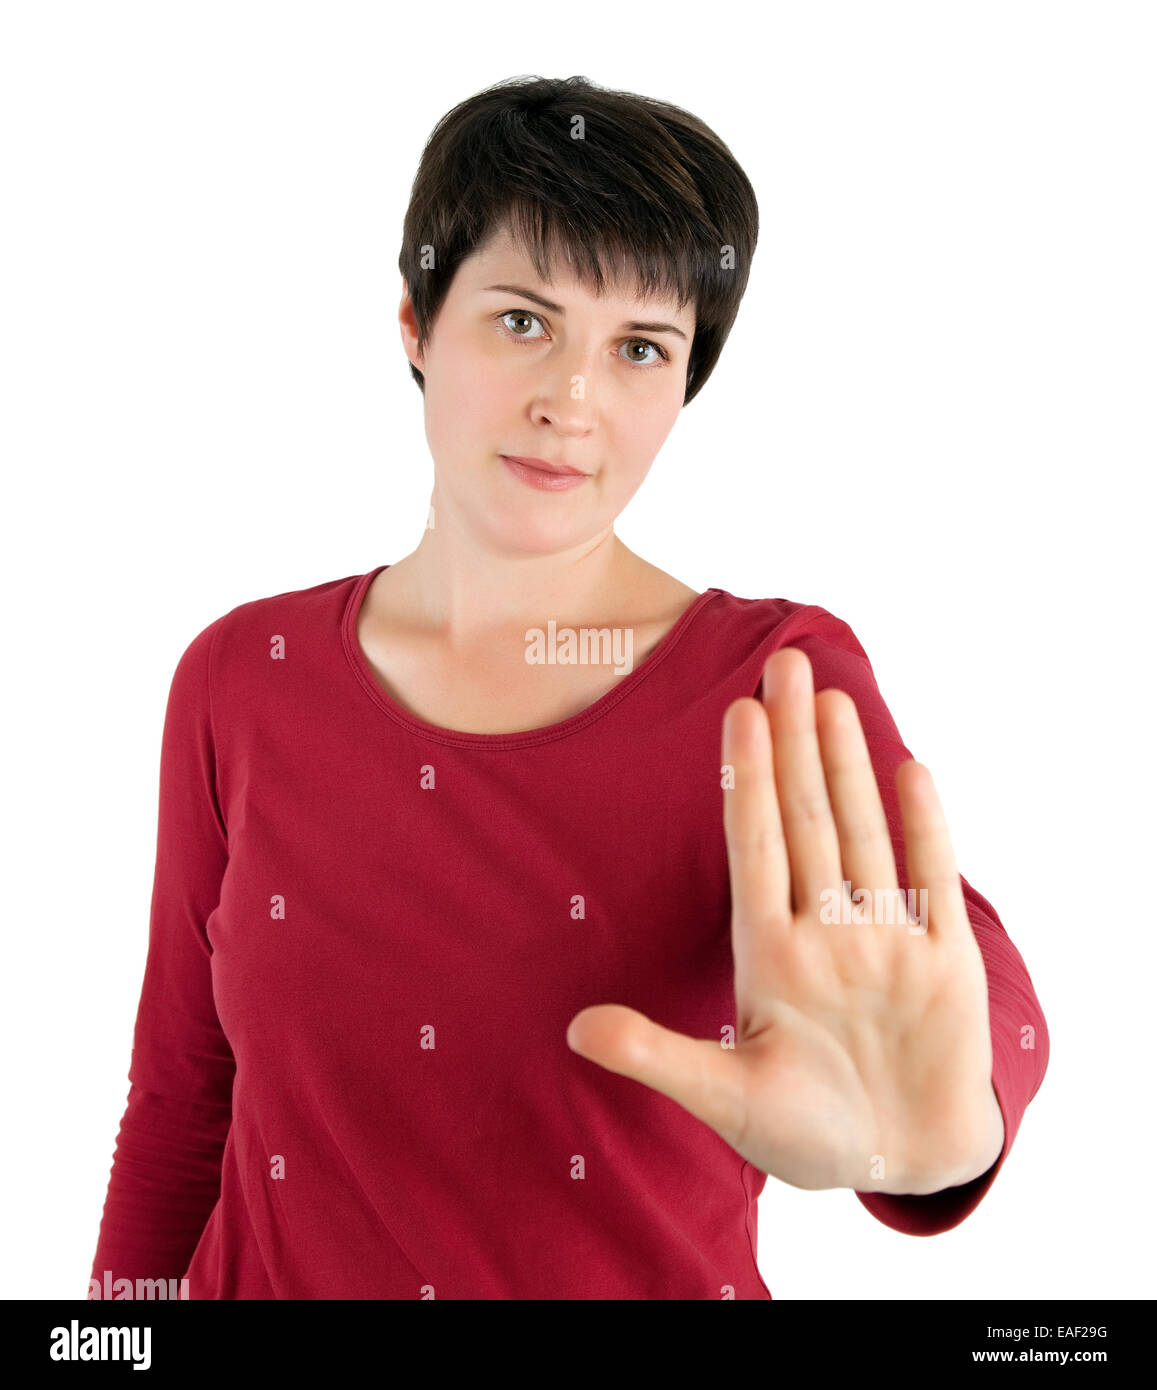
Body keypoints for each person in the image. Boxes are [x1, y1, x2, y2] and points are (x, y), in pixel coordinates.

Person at [89, 74, 1048, 1301]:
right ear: (414, 325)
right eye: (524, 321)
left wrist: (942, 1136)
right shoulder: (239, 677)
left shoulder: (766, 679)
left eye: (639, 348)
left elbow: (959, 964)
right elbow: (181, 1100)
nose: (570, 404)